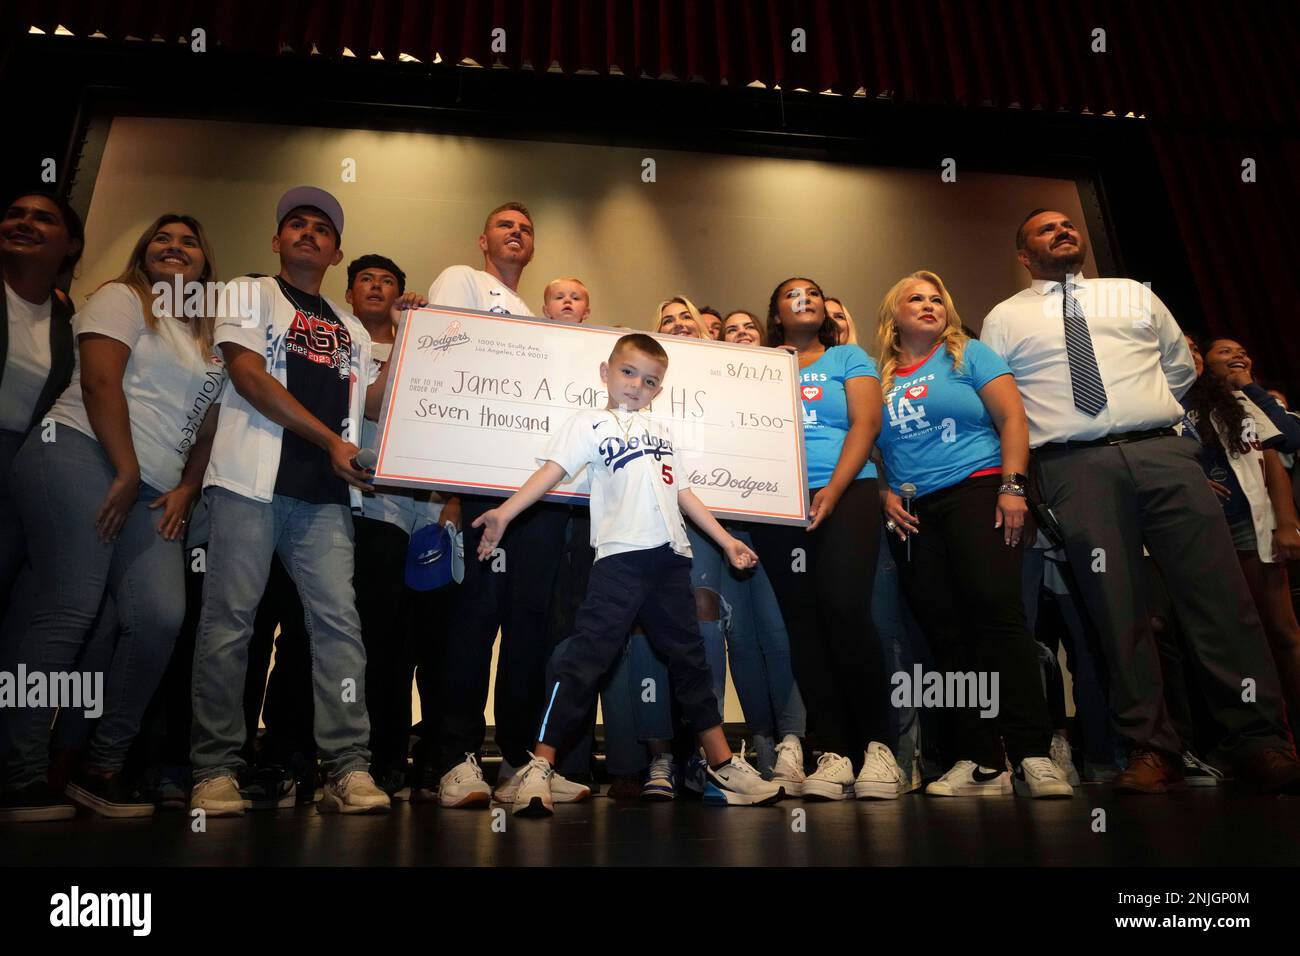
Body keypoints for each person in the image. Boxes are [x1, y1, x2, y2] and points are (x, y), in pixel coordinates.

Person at [980, 208, 1300, 794]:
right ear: (1025, 256)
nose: (1062, 231)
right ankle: (1152, 749)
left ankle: (1260, 741)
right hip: (1076, 466)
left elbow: (1178, 371)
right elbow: (1005, 400)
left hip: (1163, 453)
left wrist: (1148, 427)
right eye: (1045, 230)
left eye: (1066, 224)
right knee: (1117, 608)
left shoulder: (1131, 294)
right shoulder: (1004, 317)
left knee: (1219, 598)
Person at [472, 332, 782, 814]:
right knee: (584, 661)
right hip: (619, 561)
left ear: (660, 389)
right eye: (628, 372)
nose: (638, 384)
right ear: (606, 372)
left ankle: (722, 765)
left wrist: (725, 541)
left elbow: (683, 494)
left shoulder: (663, 432)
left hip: (671, 561)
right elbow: (552, 472)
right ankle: (541, 765)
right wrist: (506, 513)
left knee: (690, 663)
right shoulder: (589, 424)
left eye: (650, 380)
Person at [1, 213, 223, 821]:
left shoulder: (209, 338)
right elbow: (100, 383)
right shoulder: (122, 298)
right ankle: (16, 771)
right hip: (77, 450)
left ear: (205, 263)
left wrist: (187, 486)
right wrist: (125, 471)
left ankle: (98, 766)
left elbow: (206, 429)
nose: (175, 248)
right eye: (162, 239)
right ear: (144, 253)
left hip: (153, 486)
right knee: (68, 606)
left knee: (158, 617)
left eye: (189, 242)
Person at [189, 186, 397, 816]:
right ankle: (215, 769)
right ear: (277, 241)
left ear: (336, 252)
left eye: (322, 229)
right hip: (249, 483)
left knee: (340, 627)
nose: (309, 233)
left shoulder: (350, 325)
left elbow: (369, 404)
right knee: (230, 625)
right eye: (296, 225)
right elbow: (248, 377)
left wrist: (420, 346)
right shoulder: (250, 292)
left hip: (326, 497)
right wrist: (330, 440)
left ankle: (347, 766)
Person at [874, 270, 1072, 798]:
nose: (929, 305)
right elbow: (876, 451)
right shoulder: (882, 375)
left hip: (978, 490)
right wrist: (885, 492)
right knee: (944, 633)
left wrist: (1013, 487)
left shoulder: (970, 355)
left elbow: (1013, 419)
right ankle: (980, 759)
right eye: (915, 298)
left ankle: (1033, 751)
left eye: (937, 298)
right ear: (893, 314)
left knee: (996, 615)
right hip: (915, 512)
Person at [425, 203, 589, 808]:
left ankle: (519, 760)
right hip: (485, 485)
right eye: (504, 225)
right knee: (475, 618)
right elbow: (438, 364)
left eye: (526, 227)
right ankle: (456, 757)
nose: (516, 233)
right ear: (482, 239)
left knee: (530, 627)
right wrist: (449, 491)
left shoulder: (538, 318)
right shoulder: (462, 281)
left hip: (540, 493)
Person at [747, 276, 903, 800]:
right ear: (776, 312)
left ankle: (880, 750)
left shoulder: (848, 359)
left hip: (846, 494)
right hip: (778, 505)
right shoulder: (758, 367)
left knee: (845, 611)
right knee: (803, 625)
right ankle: (832, 752)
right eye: (791, 295)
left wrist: (833, 491)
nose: (804, 300)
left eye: (813, 294)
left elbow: (865, 425)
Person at [1184, 338, 1300, 730]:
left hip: (1248, 524)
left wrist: (1286, 523)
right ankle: (1265, 734)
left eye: (1198, 348)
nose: (1193, 355)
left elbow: (1278, 455)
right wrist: (1191, 481)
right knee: (1237, 638)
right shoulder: (1161, 406)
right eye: (1182, 348)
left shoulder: (1237, 402)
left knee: (1282, 630)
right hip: (1199, 531)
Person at [0, 192, 83, 612]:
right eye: (15, 214)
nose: (24, 222)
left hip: (21, 466)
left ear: (70, 245)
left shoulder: (67, 320)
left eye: (43, 218)